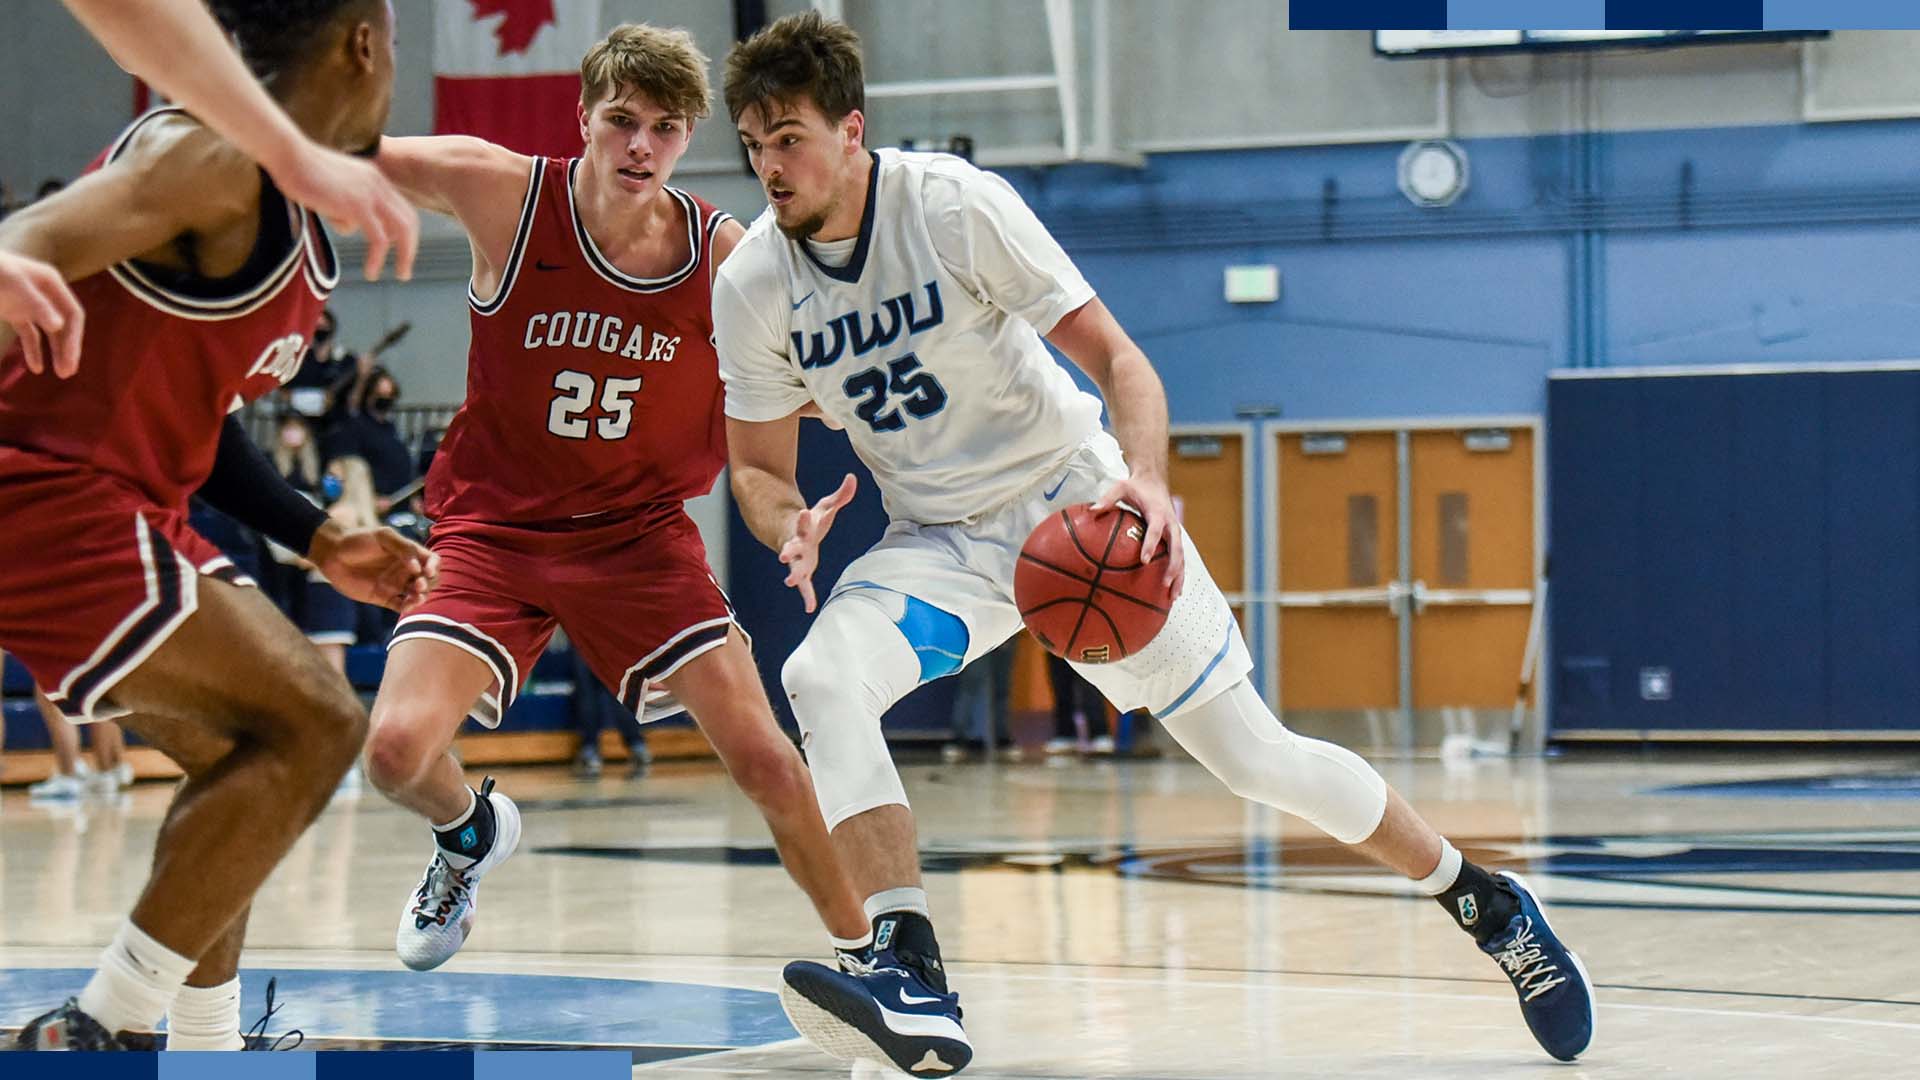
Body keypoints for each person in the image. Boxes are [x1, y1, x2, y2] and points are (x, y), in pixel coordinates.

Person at [714, 13, 1596, 1076]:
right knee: (819, 673)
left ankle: (1483, 900)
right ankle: (907, 968)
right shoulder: (753, 282)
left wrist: (1148, 481)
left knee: (1255, 759)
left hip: (1070, 507)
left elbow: (1121, 360)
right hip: (938, 541)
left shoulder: (951, 206)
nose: (771, 167)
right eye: (753, 145)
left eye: (790, 138)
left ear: (851, 129)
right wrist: (787, 522)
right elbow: (757, 467)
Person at [362, 21, 867, 975]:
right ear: (583, 117)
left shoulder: (727, 258)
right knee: (392, 752)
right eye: (623, 121)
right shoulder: (507, 196)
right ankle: (469, 832)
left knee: (768, 759)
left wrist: (801, 503)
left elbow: (791, 404)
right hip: (492, 532)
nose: (641, 146)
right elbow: (346, 152)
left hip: (637, 541)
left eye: (666, 128)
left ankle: (872, 963)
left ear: (688, 138)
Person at [0, 0, 436, 1051]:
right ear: (365, 42)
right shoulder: (211, 154)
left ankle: (206, 1042)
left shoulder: (278, 189)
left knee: (243, 754)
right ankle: (101, 1026)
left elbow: (207, 417)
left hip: (128, 501)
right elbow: (28, 242)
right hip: (46, 490)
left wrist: (317, 536)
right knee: (318, 723)